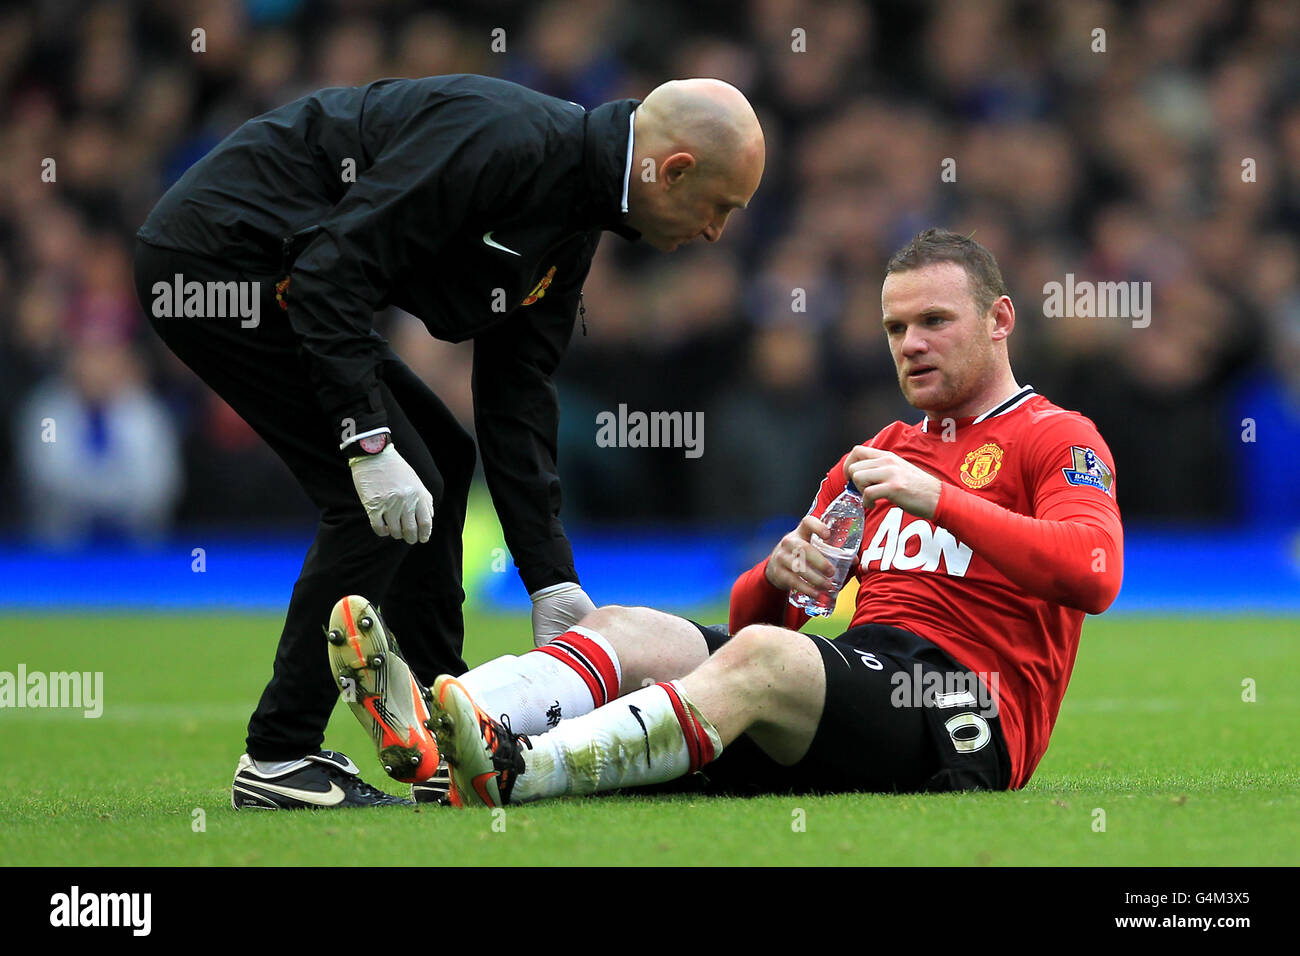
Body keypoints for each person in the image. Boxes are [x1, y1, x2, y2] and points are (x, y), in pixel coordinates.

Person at [132, 74, 765, 810]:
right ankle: (280, 755)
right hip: (219, 261)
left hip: (283, 271)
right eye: (721, 207)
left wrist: (550, 578)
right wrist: (366, 440)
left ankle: (446, 736)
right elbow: (329, 271)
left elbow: (516, 393)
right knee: (370, 496)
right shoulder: (506, 143)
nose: (716, 233)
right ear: (675, 170)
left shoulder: (573, 211)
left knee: (441, 460)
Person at [327, 228, 1124, 807]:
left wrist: (941, 500)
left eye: (934, 322)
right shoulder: (880, 454)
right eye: (895, 328)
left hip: (963, 712)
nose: (910, 344)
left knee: (768, 663)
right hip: (862, 684)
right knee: (628, 626)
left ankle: (518, 766)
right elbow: (758, 628)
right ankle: (436, 729)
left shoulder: (1055, 437)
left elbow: (1095, 573)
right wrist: (776, 574)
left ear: (1000, 319)